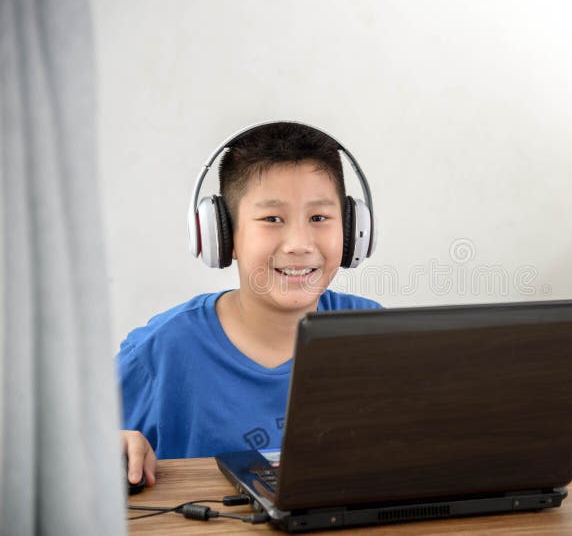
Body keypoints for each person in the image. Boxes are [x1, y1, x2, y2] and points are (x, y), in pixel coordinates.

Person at [117, 122, 380, 488]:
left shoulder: (379, 336)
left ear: (353, 232)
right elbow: (58, 446)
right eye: (272, 219)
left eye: (319, 218)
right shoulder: (161, 351)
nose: (299, 244)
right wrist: (111, 443)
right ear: (222, 236)